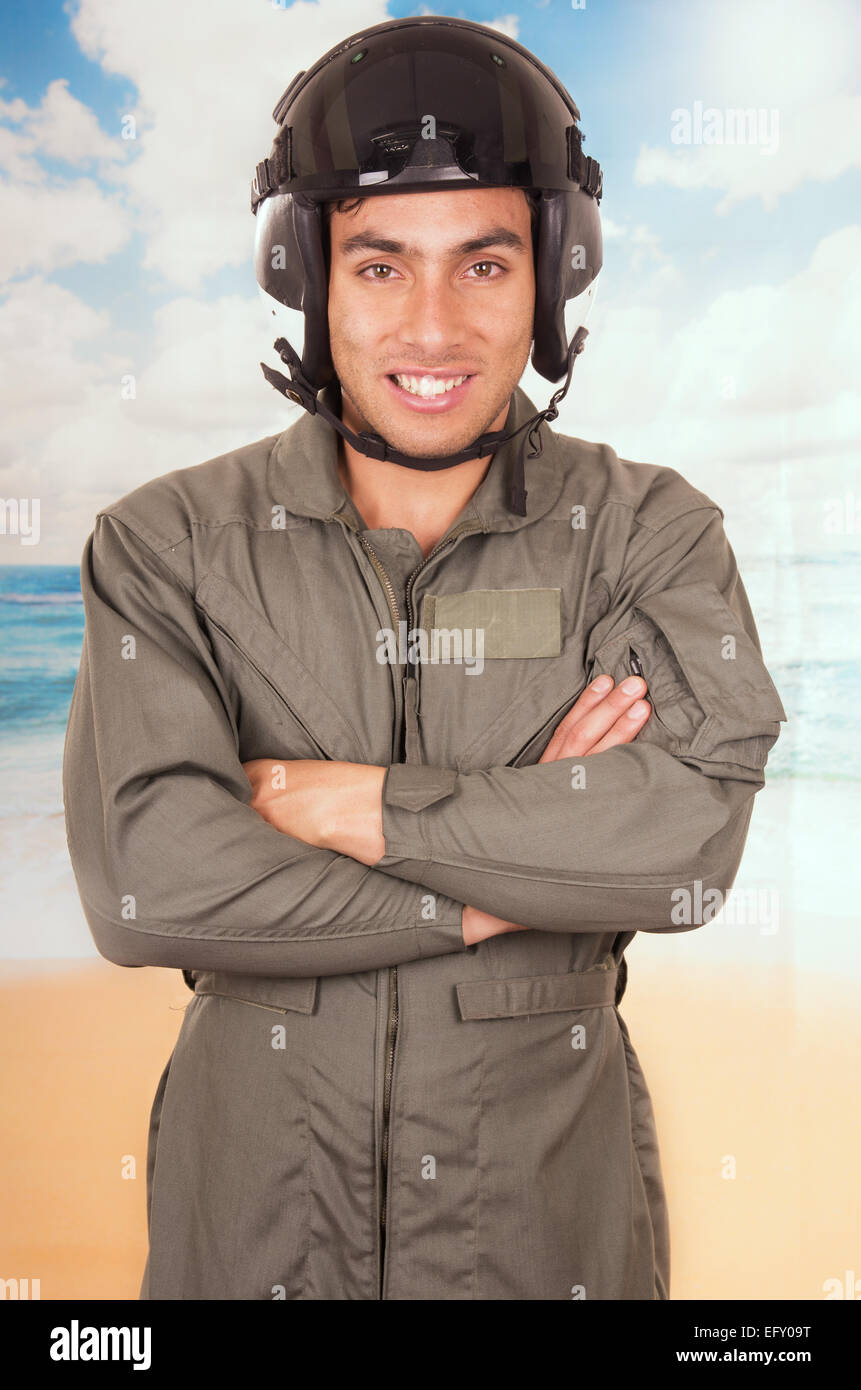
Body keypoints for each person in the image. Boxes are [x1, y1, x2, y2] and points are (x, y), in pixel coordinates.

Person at [62, 15, 787, 1300]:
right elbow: (146, 887)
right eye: (382, 266)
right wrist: (501, 890)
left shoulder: (649, 535)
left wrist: (350, 806)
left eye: (486, 264)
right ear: (312, 279)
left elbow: (683, 849)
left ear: (553, 276)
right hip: (254, 1219)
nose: (435, 327)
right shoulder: (166, 544)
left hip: (543, 1227)